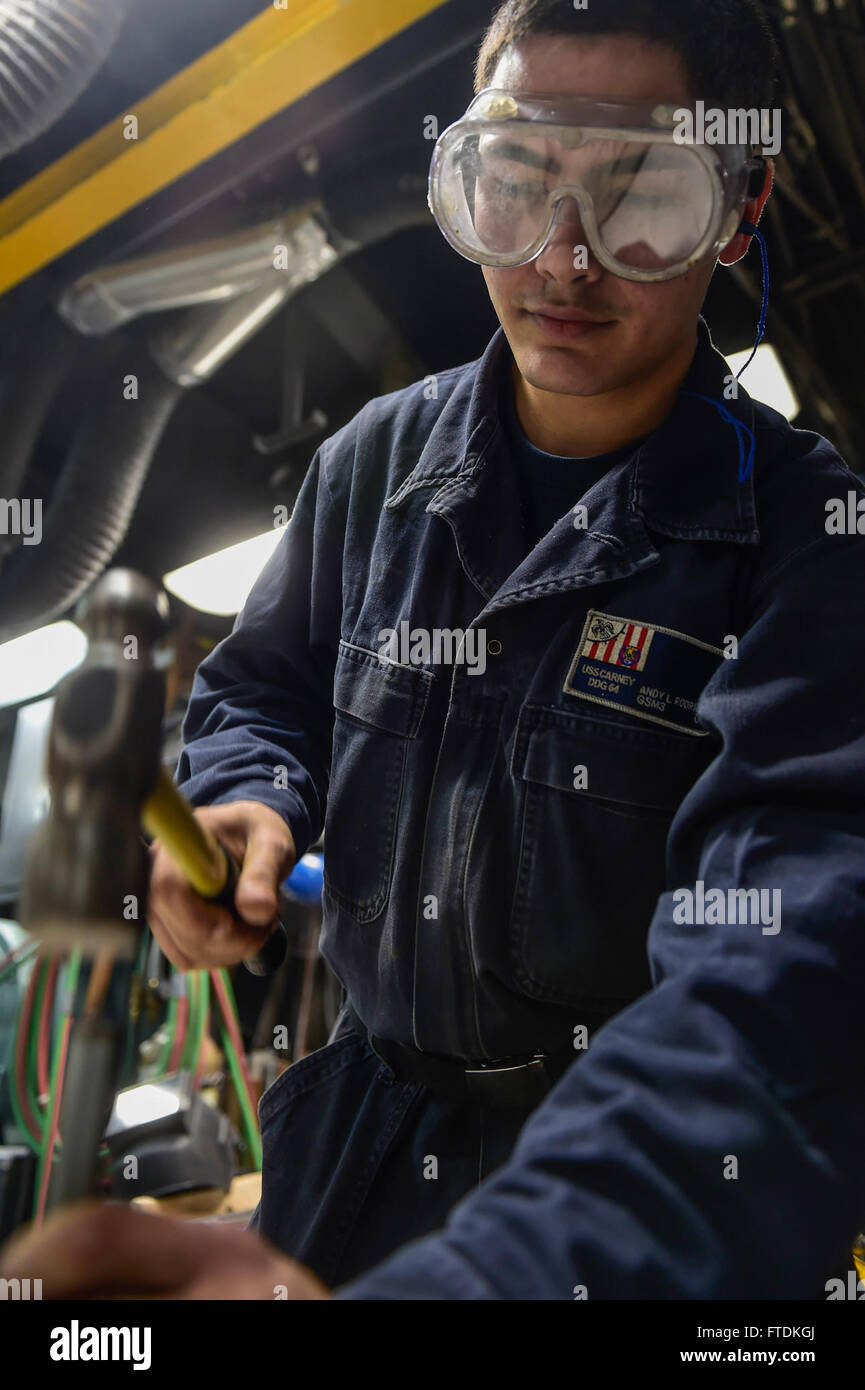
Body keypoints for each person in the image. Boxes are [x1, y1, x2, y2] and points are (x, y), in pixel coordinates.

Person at [4, 0, 865, 1301]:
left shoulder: (806, 540)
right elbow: (264, 688)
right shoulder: (371, 464)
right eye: (514, 185)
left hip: (612, 1171)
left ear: (735, 211)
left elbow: (777, 977)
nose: (564, 260)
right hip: (357, 1130)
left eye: (644, 198)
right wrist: (248, 795)